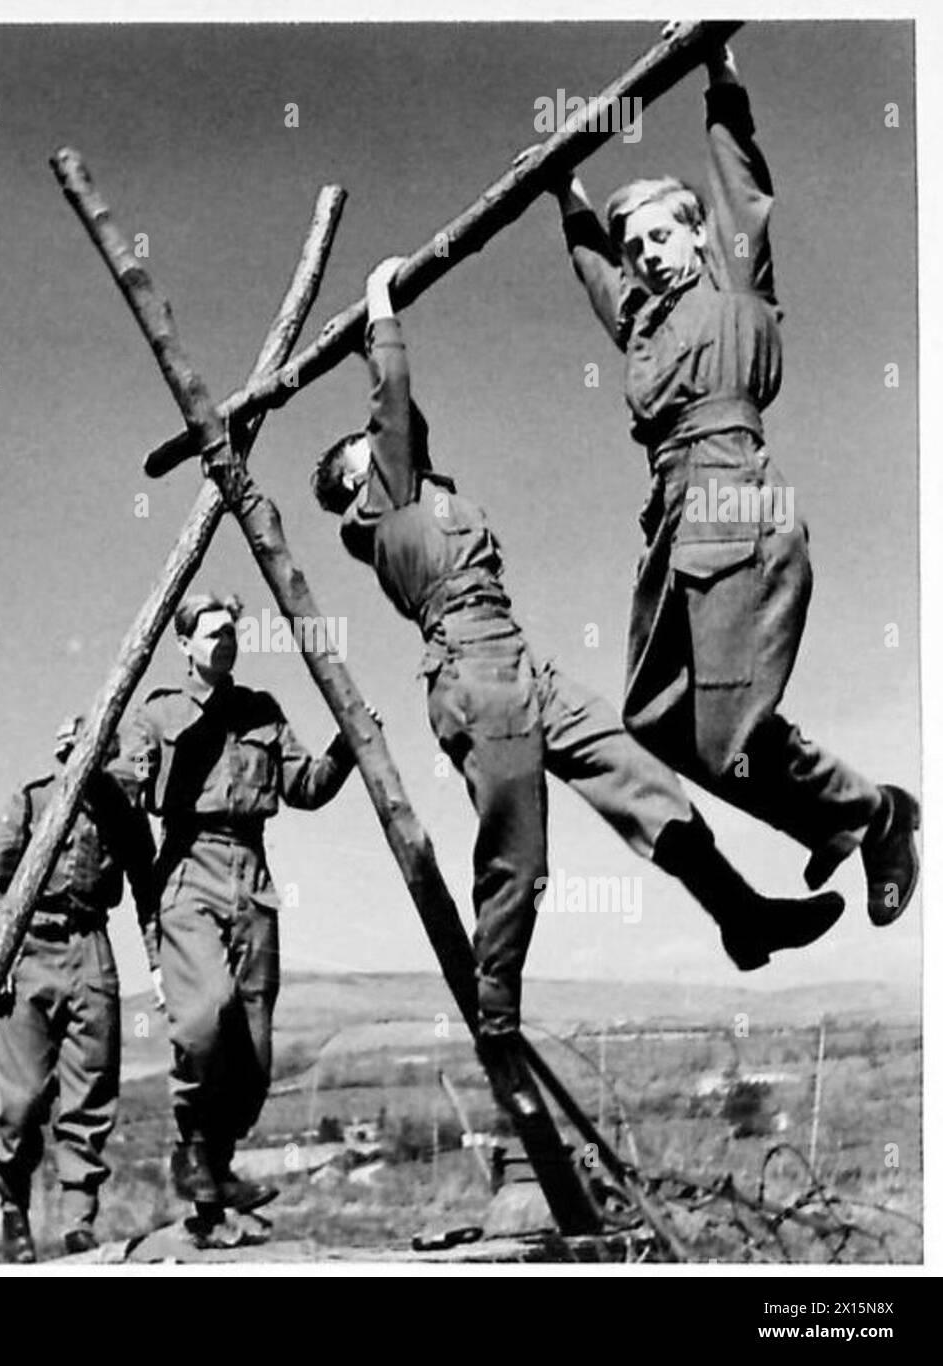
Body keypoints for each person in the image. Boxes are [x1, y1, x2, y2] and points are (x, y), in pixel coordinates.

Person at [310, 254, 848, 1130]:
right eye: (376, 447)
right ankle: (499, 1037)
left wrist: (372, 348)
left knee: (644, 774)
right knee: (520, 866)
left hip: (525, 664)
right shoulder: (388, 516)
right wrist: (378, 307)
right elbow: (394, 398)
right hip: (475, 683)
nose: (395, 440)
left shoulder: (415, 494)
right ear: (359, 484)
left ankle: (740, 914)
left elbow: (405, 415)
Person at [538, 33, 918, 926]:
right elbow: (606, 288)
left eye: (668, 232)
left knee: (725, 731)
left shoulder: (736, 292)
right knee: (656, 718)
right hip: (674, 527)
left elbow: (742, 187)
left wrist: (717, 73)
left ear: (699, 235)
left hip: (738, 504)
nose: (652, 253)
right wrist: (568, 200)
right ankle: (836, 819)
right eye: (637, 245)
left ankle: (877, 813)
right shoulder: (647, 332)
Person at [115, 593, 360, 1246]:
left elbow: (304, 787)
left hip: (252, 876)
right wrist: (112, 781)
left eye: (232, 633)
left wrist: (347, 746)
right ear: (185, 644)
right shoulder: (158, 713)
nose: (225, 642)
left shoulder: (261, 712)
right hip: (188, 868)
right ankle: (192, 1145)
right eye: (212, 633)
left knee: (253, 1051)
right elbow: (127, 784)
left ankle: (215, 1168)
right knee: (205, 1016)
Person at [0, 714, 159, 1261]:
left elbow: (147, 886)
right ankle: (13, 1208)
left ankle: (79, 1220)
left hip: (91, 947)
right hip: (28, 950)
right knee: (22, 1099)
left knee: (91, 1091)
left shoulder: (123, 812)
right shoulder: (32, 802)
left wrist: (156, 965)